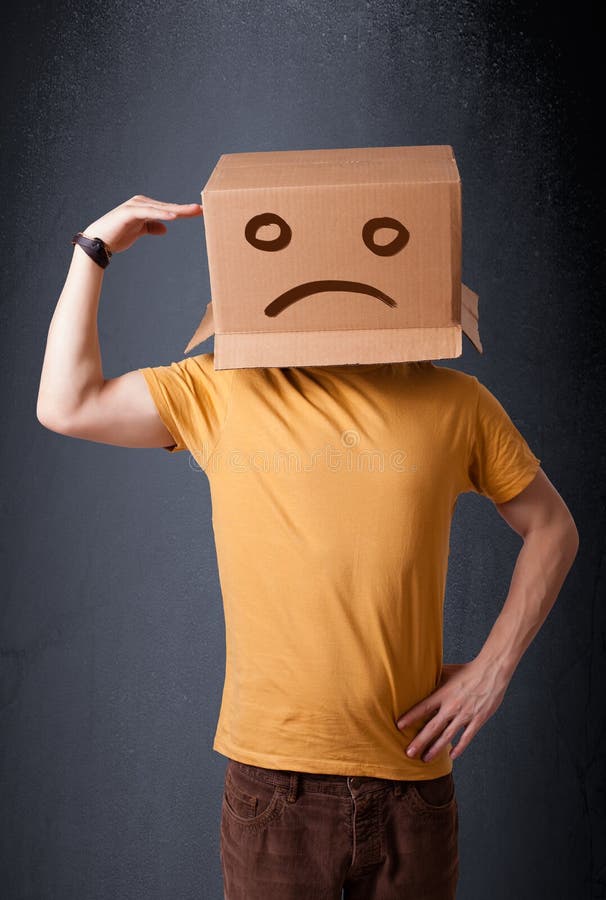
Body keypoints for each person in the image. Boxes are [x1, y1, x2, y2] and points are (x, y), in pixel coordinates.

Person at [36, 195, 580, 900]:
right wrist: (94, 249)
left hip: (413, 792)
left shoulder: (457, 403)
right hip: (273, 795)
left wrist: (494, 668)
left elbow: (553, 527)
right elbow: (66, 403)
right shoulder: (221, 388)